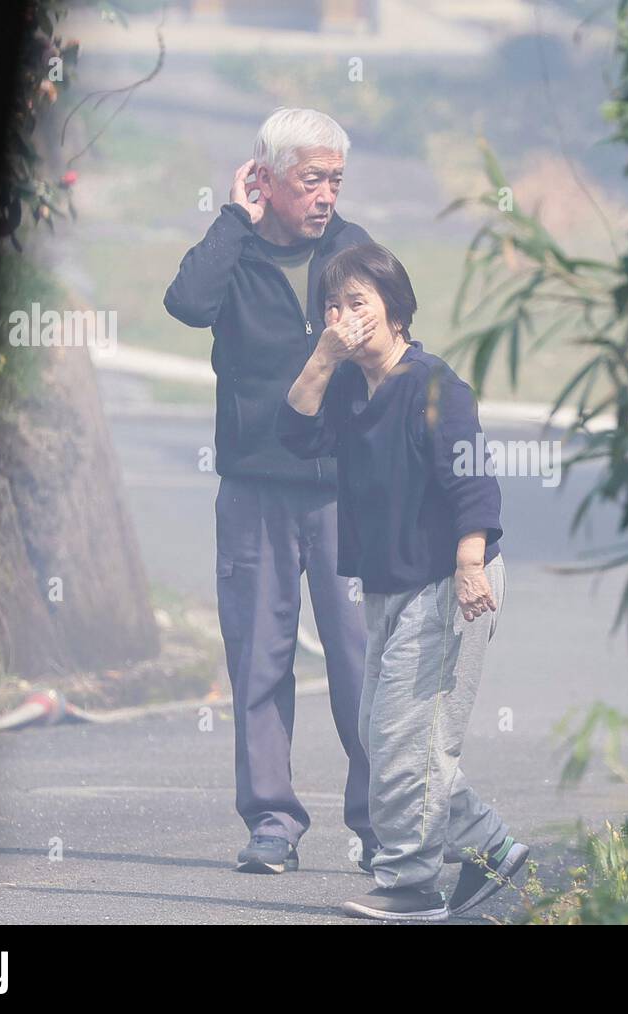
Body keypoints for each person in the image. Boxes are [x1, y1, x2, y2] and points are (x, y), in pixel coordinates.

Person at [278, 242, 529, 921]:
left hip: (450, 581)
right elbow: (294, 433)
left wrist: (471, 563)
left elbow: (474, 479)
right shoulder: (351, 390)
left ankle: (412, 884)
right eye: (333, 306)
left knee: (403, 740)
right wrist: (324, 355)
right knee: (387, 734)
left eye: (358, 302)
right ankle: (490, 845)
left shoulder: (433, 386)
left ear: (396, 308)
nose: (344, 316)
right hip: (391, 588)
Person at [163, 108, 380, 874]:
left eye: (335, 180)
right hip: (254, 487)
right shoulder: (236, 249)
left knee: (361, 664)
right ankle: (272, 824)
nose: (325, 194)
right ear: (266, 179)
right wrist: (233, 216)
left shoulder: (356, 253)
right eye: (309, 179)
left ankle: (379, 823)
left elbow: (400, 355)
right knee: (258, 659)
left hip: (341, 493)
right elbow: (186, 304)